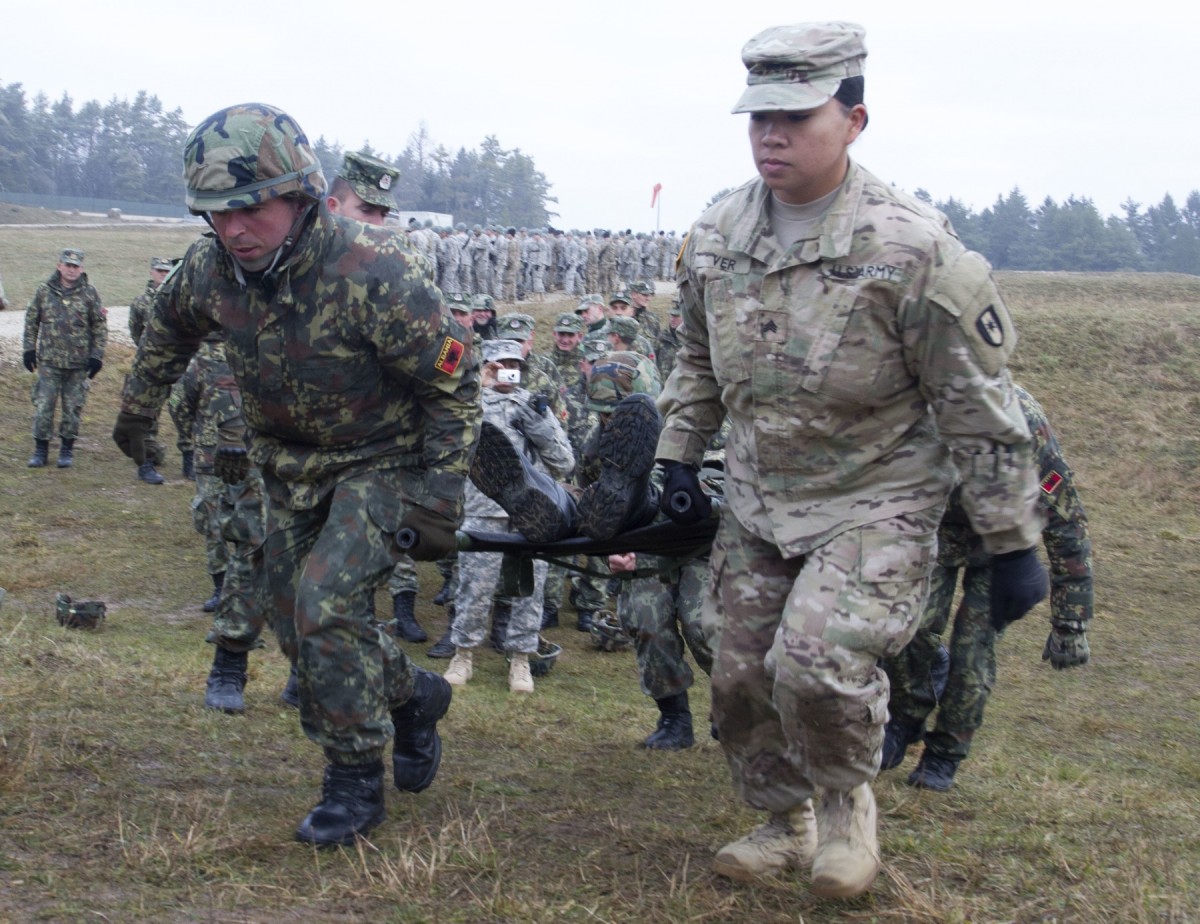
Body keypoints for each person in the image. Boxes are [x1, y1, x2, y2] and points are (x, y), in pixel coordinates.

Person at [652, 23, 1048, 899]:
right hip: (760, 493)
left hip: (880, 495)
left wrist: (1013, 538)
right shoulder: (717, 231)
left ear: (855, 120)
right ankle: (781, 822)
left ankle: (844, 814)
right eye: (758, 118)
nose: (771, 135)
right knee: (740, 671)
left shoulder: (914, 248)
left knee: (818, 662)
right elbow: (694, 355)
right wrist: (679, 455)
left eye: (796, 116)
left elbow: (977, 400)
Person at [111, 102, 478, 848]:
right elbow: (169, 329)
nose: (234, 229)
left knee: (323, 604)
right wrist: (137, 409)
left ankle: (352, 779)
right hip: (288, 466)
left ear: (301, 194)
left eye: (250, 207)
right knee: (295, 624)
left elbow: (453, 385)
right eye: (217, 214)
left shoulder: (374, 273)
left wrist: (440, 495)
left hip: (382, 461)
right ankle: (413, 698)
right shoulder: (212, 269)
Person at [881, 384, 1093, 790]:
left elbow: (1067, 521)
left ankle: (944, 753)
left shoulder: (1025, 423)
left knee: (972, 650)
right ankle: (903, 719)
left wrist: (1071, 623)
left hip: (1007, 546)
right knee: (908, 630)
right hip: (934, 531)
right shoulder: (910, 405)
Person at [324, 150, 429, 644]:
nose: (379, 223)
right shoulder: (295, 270)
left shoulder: (403, 271)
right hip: (299, 451)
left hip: (372, 452)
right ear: (332, 207)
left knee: (353, 571)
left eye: (385, 214)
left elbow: (446, 355)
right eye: (367, 211)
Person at [442, 339, 575, 692]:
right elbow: (445, 434)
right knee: (473, 588)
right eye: (499, 364)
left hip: (532, 513)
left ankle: (520, 662)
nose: (507, 371)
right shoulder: (468, 403)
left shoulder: (535, 405)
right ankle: (463, 655)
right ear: (486, 366)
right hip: (484, 511)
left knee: (528, 592)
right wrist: (477, 391)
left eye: (514, 363)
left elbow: (565, 463)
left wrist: (542, 429)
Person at [23, 248, 107, 470]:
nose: (71, 270)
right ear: (59, 266)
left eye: (76, 266)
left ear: (81, 269)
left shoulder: (90, 293)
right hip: (49, 362)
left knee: (72, 408)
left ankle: (66, 450)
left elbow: (99, 327)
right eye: (68, 265)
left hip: (78, 364)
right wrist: (28, 349)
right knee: (44, 407)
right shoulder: (44, 291)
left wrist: (97, 356)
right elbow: (31, 320)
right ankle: (41, 450)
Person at [129, 256, 181, 483]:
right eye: (159, 271)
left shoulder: (180, 300)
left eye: (167, 271)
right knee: (147, 415)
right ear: (152, 273)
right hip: (151, 368)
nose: (163, 275)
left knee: (184, 411)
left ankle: (190, 458)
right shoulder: (141, 302)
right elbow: (135, 333)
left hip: (179, 365)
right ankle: (146, 464)